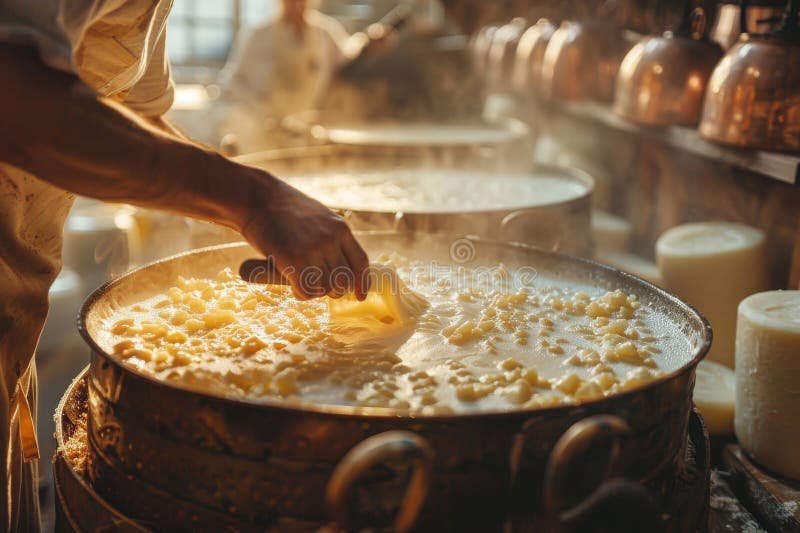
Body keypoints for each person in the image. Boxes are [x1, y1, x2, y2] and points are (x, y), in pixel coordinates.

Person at [0, 1, 369, 530]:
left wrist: (258, 208)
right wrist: (252, 200)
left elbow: (139, 117)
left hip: (13, 324)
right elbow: (14, 97)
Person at [213, 0, 351, 152]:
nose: (296, 5)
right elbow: (229, 81)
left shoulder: (325, 32)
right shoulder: (258, 35)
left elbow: (351, 65)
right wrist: (261, 111)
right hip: (263, 127)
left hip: (306, 128)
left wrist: (369, 47)